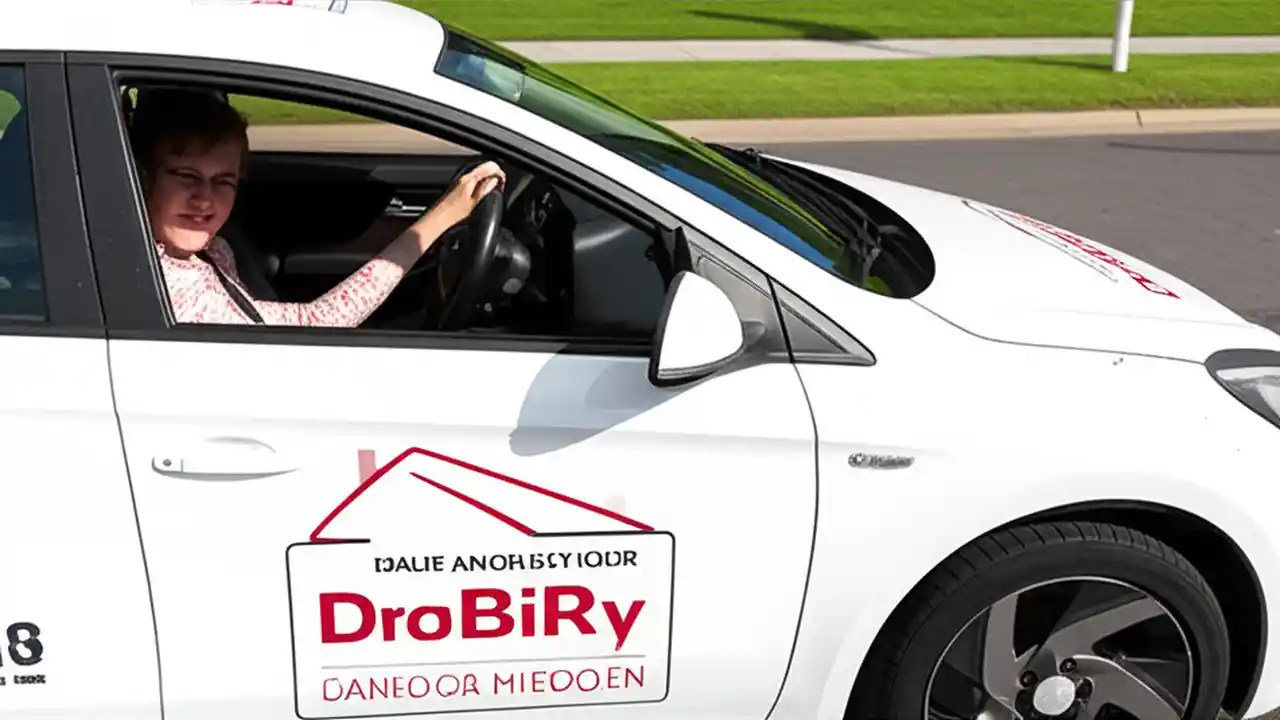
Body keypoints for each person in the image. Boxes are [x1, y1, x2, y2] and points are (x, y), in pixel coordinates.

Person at [127, 89, 505, 326]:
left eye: (223, 181)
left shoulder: (212, 250)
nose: (204, 199)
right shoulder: (156, 282)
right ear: (143, 178)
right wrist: (440, 220)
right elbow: (317, 321)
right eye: (186, 176)